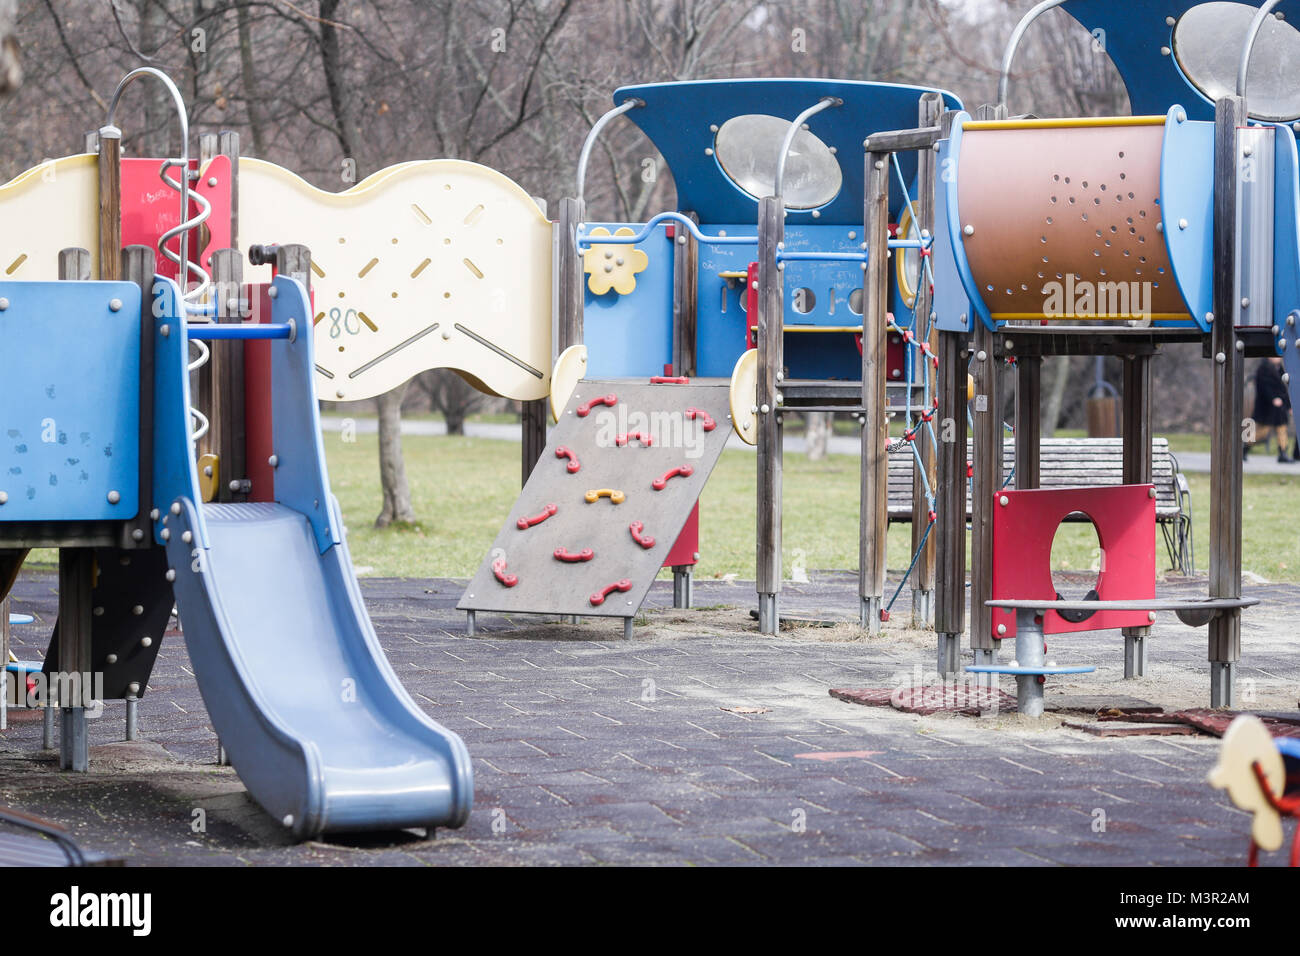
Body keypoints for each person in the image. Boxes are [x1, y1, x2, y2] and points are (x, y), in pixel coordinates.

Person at [1246, 356, 1293, 463]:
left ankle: (1283, 453)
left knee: (1282, 429)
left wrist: (1289, 406)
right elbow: (1263, 387)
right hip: (1267, 407)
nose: (1278, 358)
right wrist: (1273, 398)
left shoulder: (1280, 369)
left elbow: (1283, 390)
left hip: (1279, 408)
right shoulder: (1263, 369)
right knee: (1262, 432)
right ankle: (1244, 447)